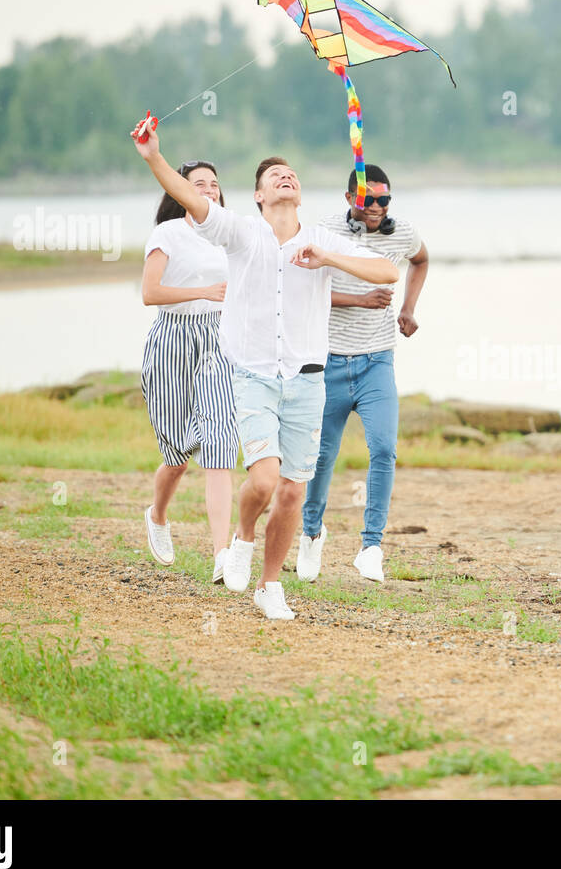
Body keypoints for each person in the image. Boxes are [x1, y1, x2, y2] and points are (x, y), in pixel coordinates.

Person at [132, 120, 399, 620]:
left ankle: (270, 584)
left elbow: (388, 272)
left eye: (292, 174)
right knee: (263, 482)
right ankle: (242, 537)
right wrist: (153, 158)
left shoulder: (320, 238)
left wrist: (326, 256)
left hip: (308, 378)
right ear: (257, 195)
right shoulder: (240, 232)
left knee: (293, 490)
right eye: (275, 174)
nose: (286, 177)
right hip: (252, 376)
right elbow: (192, 201)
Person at [298, 165, 430, 584]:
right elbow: (307, 287)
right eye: (367, 199)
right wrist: (359, 299)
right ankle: (311, 533)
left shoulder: (401, 232)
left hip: (377, 361)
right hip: (329, 361)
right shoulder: (325, 230)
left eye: (383, 199)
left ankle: (371, 547)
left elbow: (421, 260)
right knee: (321, 457)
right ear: (349, 197)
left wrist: (408, 308)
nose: (375, 207)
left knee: (384, 449)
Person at [139, 160, 237, 585]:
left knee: (219, 442)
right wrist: (202, 291)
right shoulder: (167, 233)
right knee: (177, 454)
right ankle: (157, 514)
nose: (209, 190)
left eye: (214, 185)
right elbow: (149, 293)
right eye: (199, 184)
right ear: (179, 191)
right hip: (172, 340)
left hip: (219, 340)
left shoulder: (228, 235)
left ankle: (222, 555)